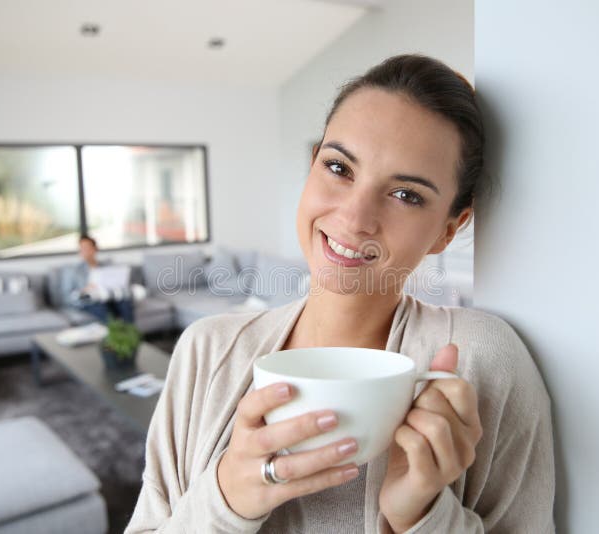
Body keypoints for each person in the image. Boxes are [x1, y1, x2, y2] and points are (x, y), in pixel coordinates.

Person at [126, 55, 555, 533]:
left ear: (447, 231)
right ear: (312, 167)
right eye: (339, 167)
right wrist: (226, 499)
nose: (355, 218)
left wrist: (420, 516)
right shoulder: (206, 349)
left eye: (406, 195)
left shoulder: (483, 363)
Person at [64, 235, 135, 324]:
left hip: (108, 296)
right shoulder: (75, 271)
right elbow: (68, 296)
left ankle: (131, 334)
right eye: (82, 248)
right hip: (89, 300)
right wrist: (84, 290)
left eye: (87, 248)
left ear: (95, 249)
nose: (85, 251)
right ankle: (116, 334)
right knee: (101, 308)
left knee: (125, 303)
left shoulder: (106, 266)